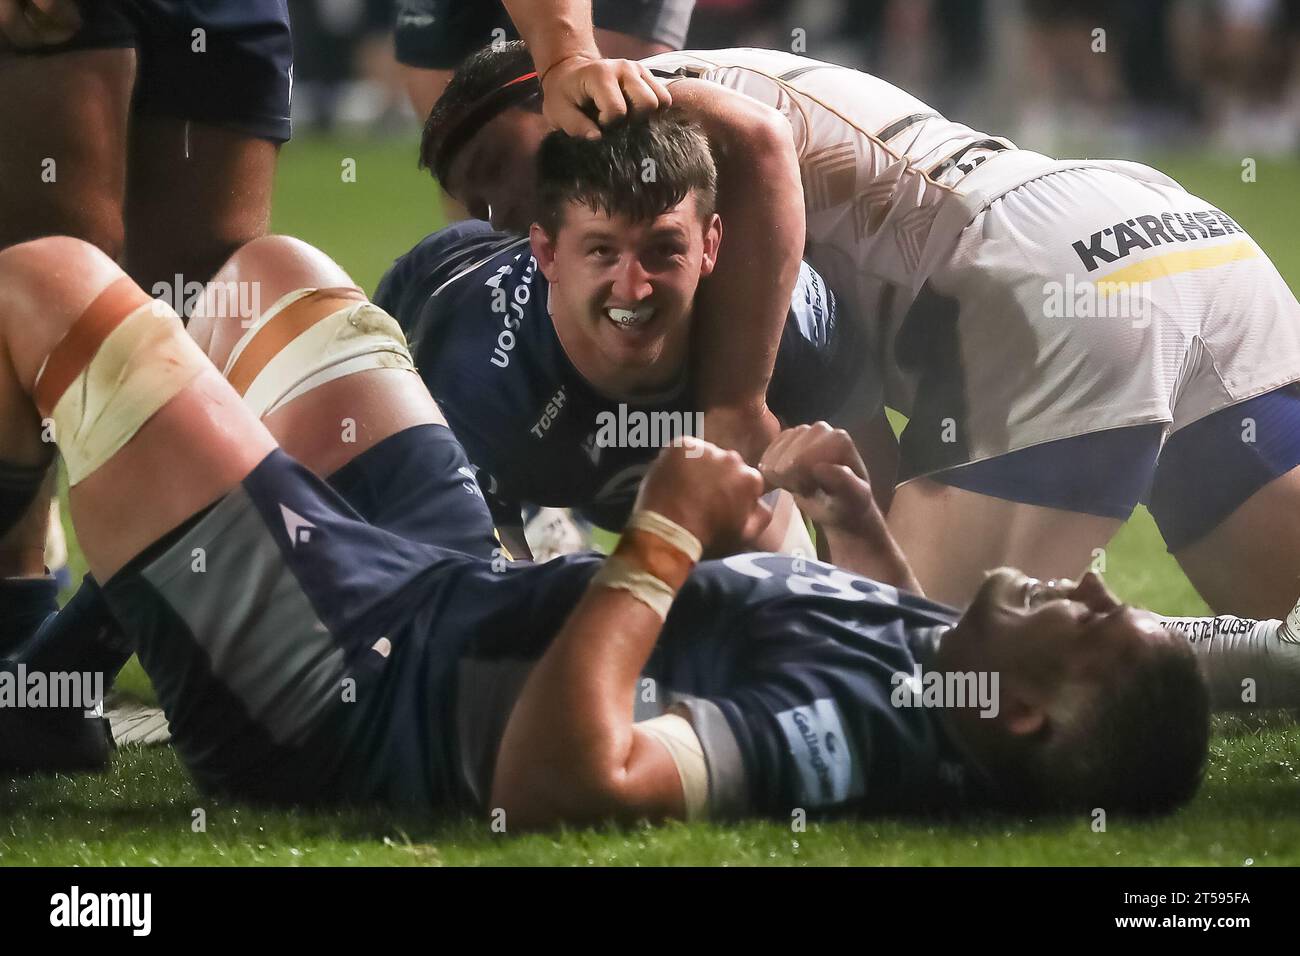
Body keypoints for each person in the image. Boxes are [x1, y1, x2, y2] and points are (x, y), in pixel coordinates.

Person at [0, 234, 1210, 823]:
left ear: (1022, 714)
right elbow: (872, 639)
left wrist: (664, 535)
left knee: (43, 287)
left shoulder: (838, 740)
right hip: (449, 594)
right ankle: (47, 699)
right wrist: (853, 529)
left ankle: (39, 650)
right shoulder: (953, 680)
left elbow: (563, 776)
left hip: (348, 690)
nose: (1104, 593)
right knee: (271, 273)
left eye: (1107, 633)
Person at [422, 41, 1300, 618]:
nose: (496, 212)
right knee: (1283, 623)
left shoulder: (637, 113)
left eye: (499, 167)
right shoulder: (673, 156)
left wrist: (733, 406)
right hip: (1165, 230)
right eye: (474, 198)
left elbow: (762, 143)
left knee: (919, 669)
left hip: (1048, 273)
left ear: (551, 90)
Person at [377, 111, 866, 556]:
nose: (633, 290)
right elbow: (468, 599)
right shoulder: (474, 380)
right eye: (602, 252)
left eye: (664, 250)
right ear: (547, 255)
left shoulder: (793, 328)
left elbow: (863, 556)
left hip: (640, 463)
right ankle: (548, 511)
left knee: (783, 599)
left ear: (711, 245)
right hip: (518, 431)